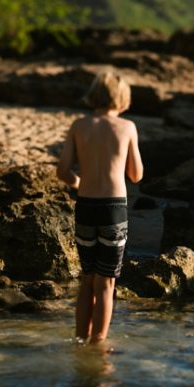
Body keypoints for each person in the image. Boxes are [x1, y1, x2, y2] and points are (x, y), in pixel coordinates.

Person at [56, 71, 144, 345]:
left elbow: (62, 170)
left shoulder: (79, 125)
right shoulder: (127, 127)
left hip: (86, 206)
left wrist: (78, 181)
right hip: (113, 209)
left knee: (87, 280)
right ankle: (98, 346)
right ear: (122, 98)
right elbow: (136, 175)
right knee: (106, 283)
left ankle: (81, 338)